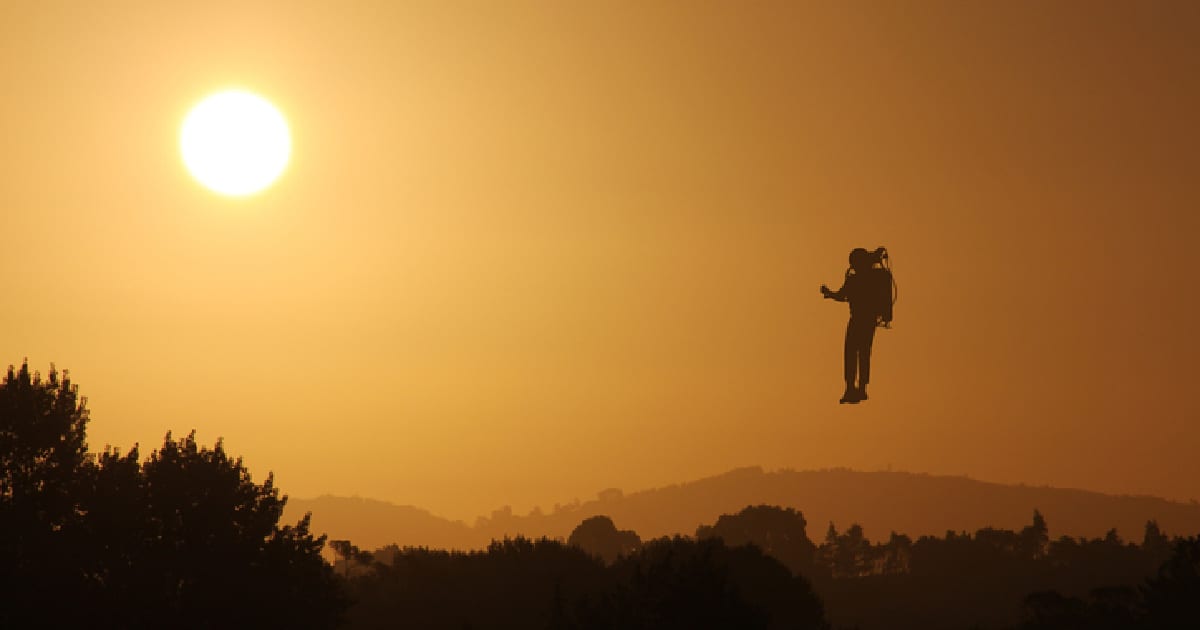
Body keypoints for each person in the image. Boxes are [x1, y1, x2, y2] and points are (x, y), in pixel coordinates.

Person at [821, 248, 893, 404]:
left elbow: (842, 295)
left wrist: (831, 294)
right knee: (857, 352)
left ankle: (858, 388)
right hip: (862, 320)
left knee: (858, 352)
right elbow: (843, 295)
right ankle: (853, 388)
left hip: (864, 320)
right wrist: (830, 294)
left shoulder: (867, 279)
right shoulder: (856, 279)